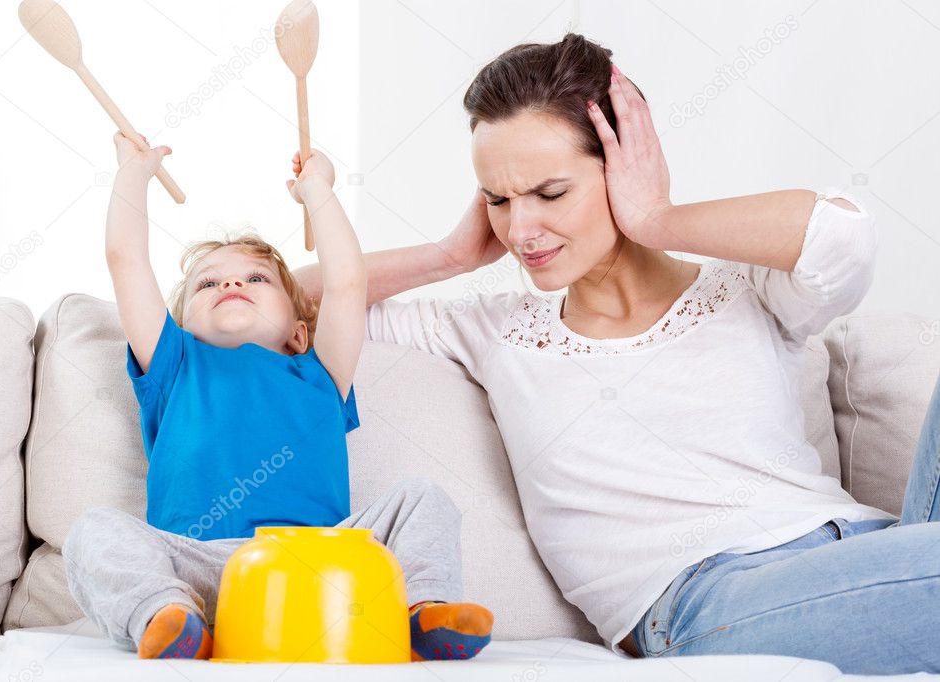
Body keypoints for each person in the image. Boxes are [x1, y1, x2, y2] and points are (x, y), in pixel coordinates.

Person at [294, 33, 940, 674]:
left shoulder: (745, 290)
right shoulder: (494, 331)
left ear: (621, 166)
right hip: (706, 600)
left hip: (877, 545)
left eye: (548, 194)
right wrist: (450, 255)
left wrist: (656, 218)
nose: (519, 231)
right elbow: (292, 302)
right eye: (497, 200)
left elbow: (842, 234)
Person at [61, 131, 493, 662]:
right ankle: (167, 617)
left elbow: (347, 283)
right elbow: (124, 259)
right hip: (197, 565)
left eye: (256, 277)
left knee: (422, 498)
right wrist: (133, 175)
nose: (229, 286)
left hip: (313, 567)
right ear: (182, 325)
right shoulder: (175, 364)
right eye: (208, 284)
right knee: (93, 532)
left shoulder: (320, 373)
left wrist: (319, 191)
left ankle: (423, 612)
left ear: (298, 330)